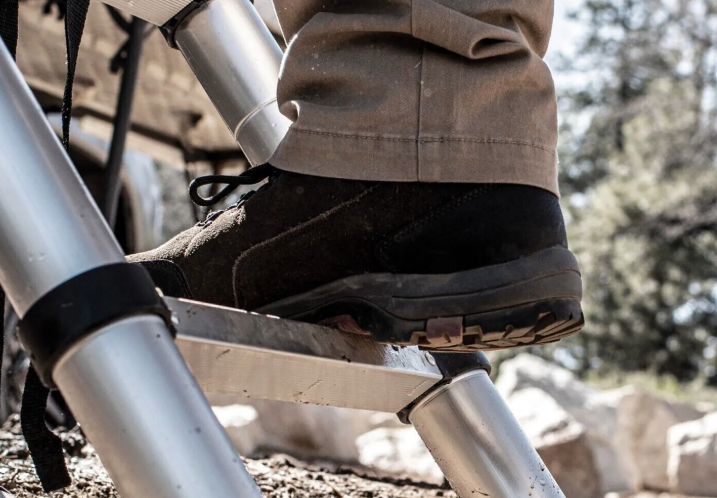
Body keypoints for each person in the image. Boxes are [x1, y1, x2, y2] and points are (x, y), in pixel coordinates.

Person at [133, 0, 579, 351]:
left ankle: (380, 159)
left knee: (165, 284)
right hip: (515, 177)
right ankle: (467, 156)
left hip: (396, 167)